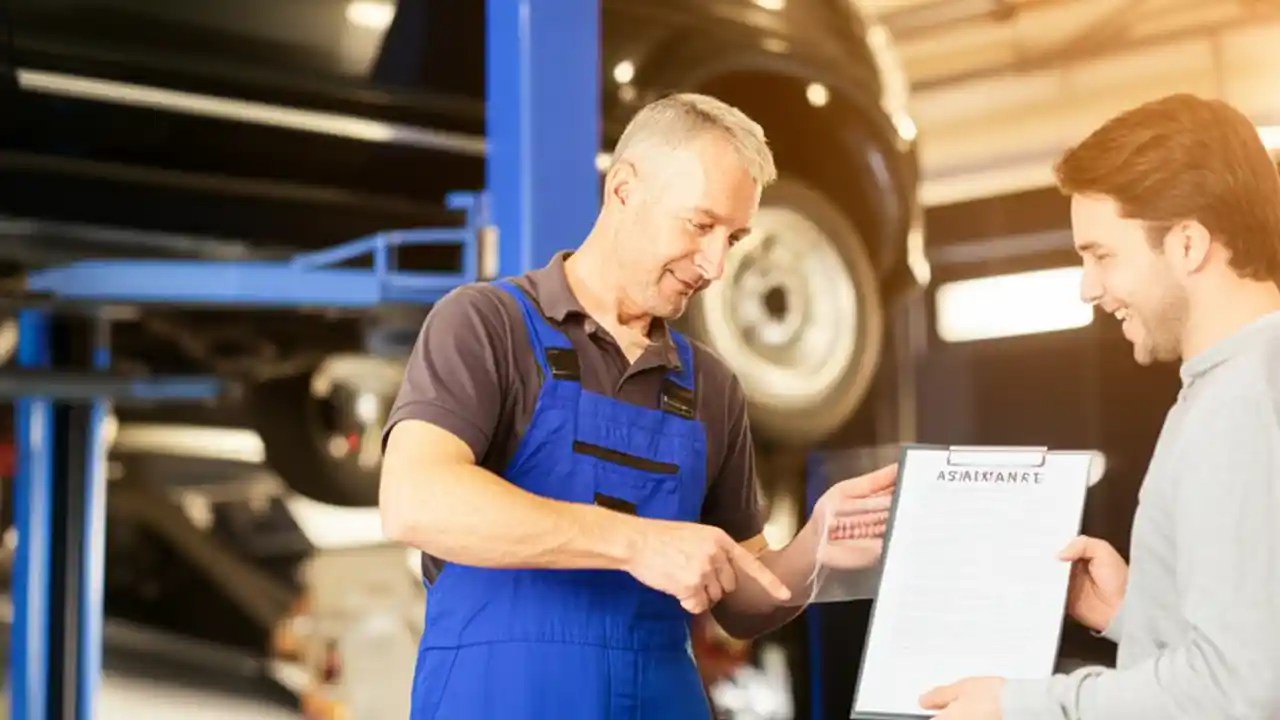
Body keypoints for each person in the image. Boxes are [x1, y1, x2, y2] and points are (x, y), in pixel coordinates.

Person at [378, 92, 896, 720]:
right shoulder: (487, 326)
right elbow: (416, 499)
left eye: (734, 238)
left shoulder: (712, 388)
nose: (716, 265)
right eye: (701, 225)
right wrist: (635, 543)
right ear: (623, 190)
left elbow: (740, 598)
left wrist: (814, 550)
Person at [920, 93, 1280, 719]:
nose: (1089, 288)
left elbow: (1238, 692)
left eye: (1101, 255)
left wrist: (1022, 707)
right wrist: (1136, 612)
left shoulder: (1242, 404)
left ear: (1188, 245)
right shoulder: (1232, 388)